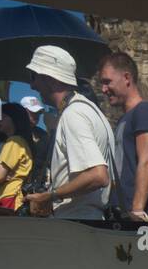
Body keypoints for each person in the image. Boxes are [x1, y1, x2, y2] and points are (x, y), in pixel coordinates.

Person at [22, 45, 115, 220]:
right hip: (86, 219)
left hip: (77, 222)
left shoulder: (74, 114)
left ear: (49, 77)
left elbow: (98, 175)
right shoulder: (92, 111)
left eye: (34, 77)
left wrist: (49, 196)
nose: (32, 85)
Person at [98, 52, 148, 220]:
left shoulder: (144, 111)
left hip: (136, 215)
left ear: (126, 78)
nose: (103, 89)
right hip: (121, 213)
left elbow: (147, 162)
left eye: (107, 82)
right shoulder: (124, 119)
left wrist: (137, 211)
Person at [0, 103, 36, 211]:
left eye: (4, 117)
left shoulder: (13, 141)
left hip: (10, 198)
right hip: (17, 198)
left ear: (15, 119)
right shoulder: (23, 141)